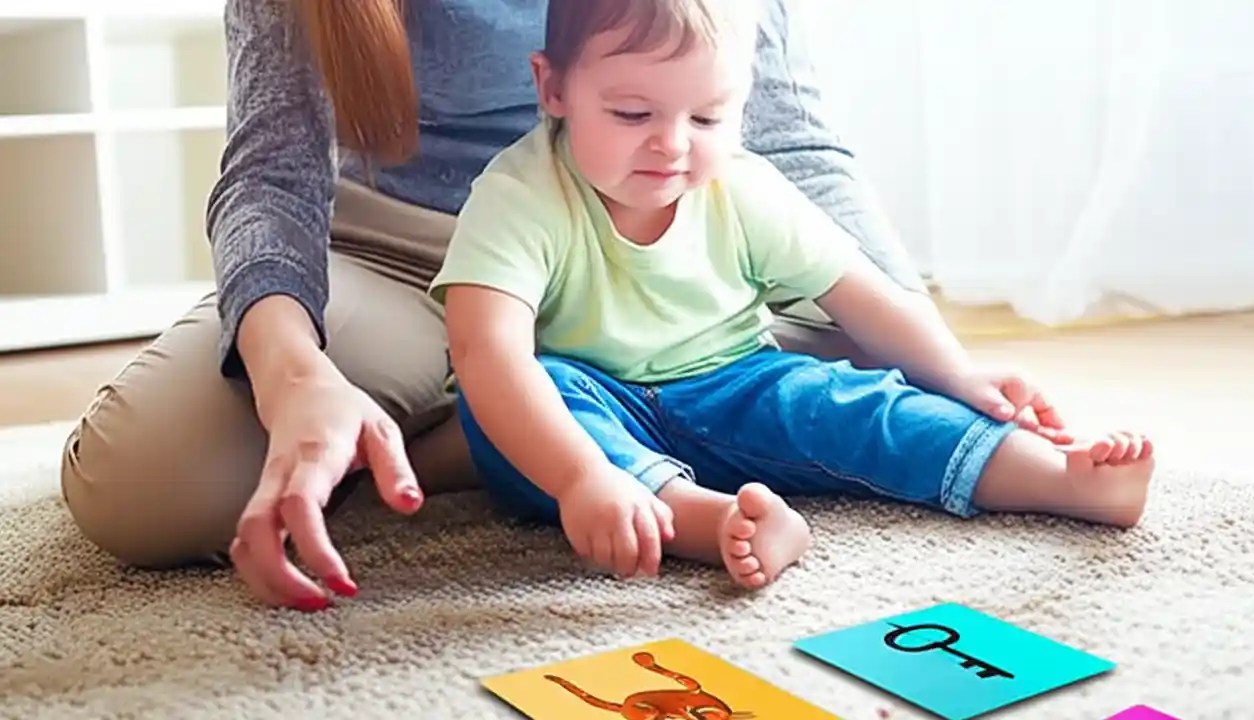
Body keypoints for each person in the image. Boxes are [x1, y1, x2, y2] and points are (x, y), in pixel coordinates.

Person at [51, 0, 1041, 613]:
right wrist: (294, 373)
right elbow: (270, 169)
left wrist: (938, 356)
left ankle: (500, 429)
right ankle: (513, 420)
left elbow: (788, 144)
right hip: (402, 254)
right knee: (143, 486)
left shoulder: (694, 156)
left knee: (886, 384)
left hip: (657, 243)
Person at [431, 0, 1156, 590]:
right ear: (553, 88)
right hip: (592, 401)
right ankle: (712, 523)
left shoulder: (739, 187)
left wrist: (961, 375)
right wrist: (582, 476)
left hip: (736, 380)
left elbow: (859, 294)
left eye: (708, 118)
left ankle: (1063, 481)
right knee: (515, 412)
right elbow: (488, 351)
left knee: (860, 404)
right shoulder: (519, 195)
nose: (673, 145)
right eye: (632, 115)